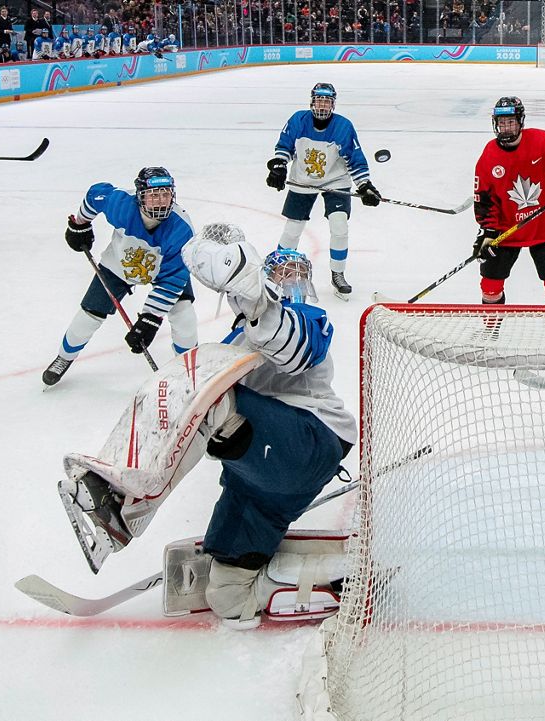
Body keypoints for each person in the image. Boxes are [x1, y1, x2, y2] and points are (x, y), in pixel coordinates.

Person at [59, 225, 356, 628]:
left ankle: (127, 503)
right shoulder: (238, 339)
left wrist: (256, 301)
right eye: (282, 276)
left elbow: (289, 349)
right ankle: (322, 584)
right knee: (227, 597)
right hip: (260, 479)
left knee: (205, 392)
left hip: (309, 443)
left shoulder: (311, 322)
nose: (293, 284)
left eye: (299, 275)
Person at [44, 167, 199, 386]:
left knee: (184, 315)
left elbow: (172, 279)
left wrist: (150, 318)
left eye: (165, 194)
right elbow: (95, 195)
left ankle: (188, 369)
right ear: (140, 196)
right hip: (119, 264)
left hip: (164, 270)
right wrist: (80, 224)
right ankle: (64, 357)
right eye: (154, 195)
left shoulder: (181, 228)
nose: (161, 201)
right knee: (88, 315)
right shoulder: (121, 204)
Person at [471, 96, 545, 344]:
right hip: (505, 230)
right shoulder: (488, 155)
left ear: (520, 121)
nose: (506, 128)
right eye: (501, 123)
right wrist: (488, 231)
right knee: (490, 285)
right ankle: (490, 330)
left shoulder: (542, 140)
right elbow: (484, 199)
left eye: (511, 122)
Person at [266, 82, 381, 300]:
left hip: (335, 181)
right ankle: (279, 271)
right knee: (292, 229)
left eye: (327, 101)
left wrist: (364, 185)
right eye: (319, 100)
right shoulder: (298, 120)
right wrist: (279, 166)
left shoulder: (343, 126)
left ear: (333, 104)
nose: (322, 105)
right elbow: (284, 146)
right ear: (312, 101)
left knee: (339, 226)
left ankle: (338, 274)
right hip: (303, 180)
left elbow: (354, 159)